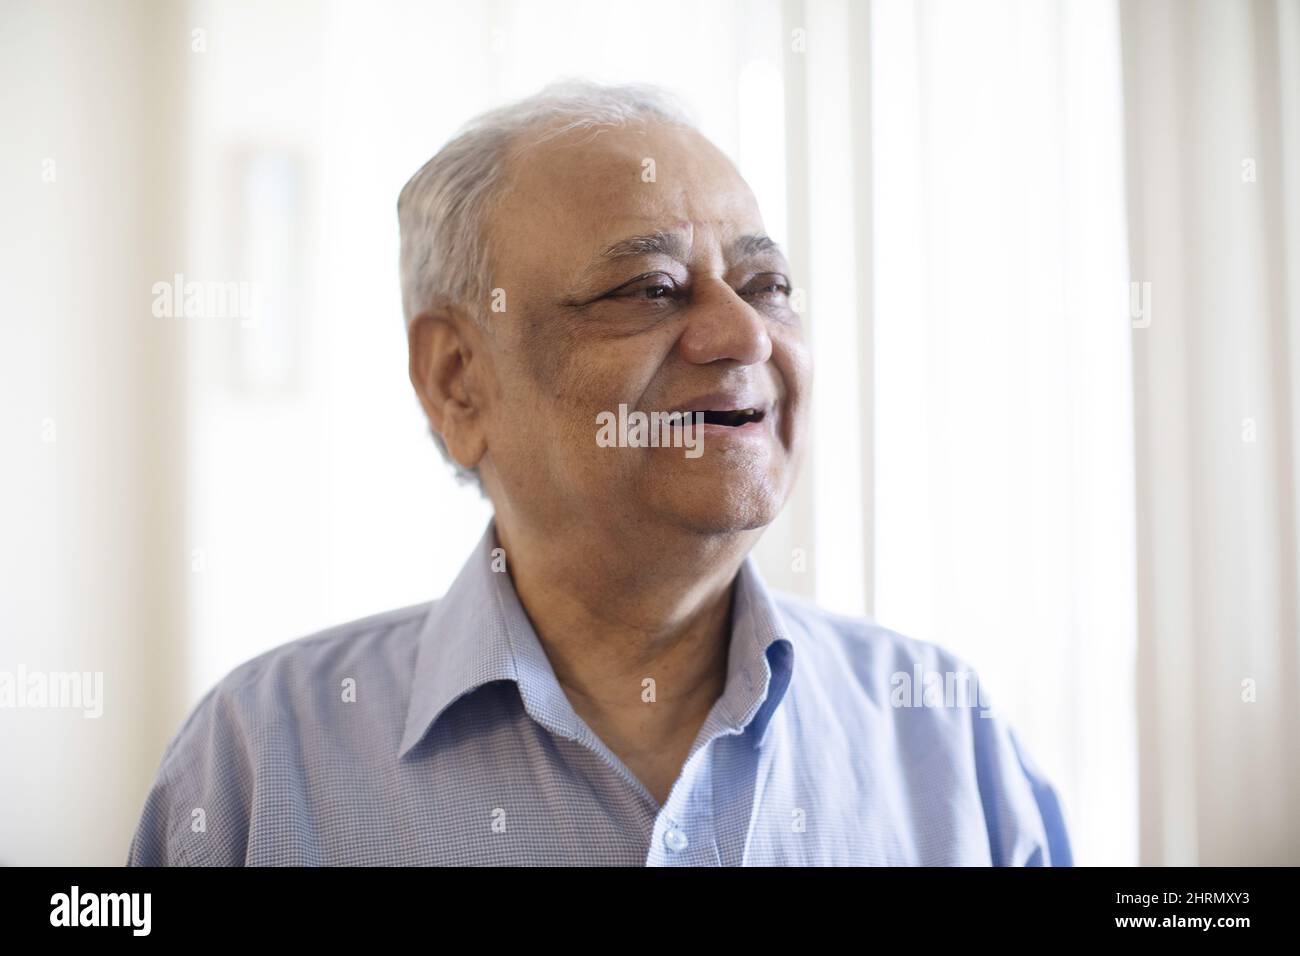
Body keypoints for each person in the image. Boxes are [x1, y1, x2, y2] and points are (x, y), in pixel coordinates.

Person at [127, 79, 1072, 866]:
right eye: (649, 288)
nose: (744, 334)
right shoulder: (264, 762)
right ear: (459, 381)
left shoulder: (944, 736)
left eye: (767, 285)